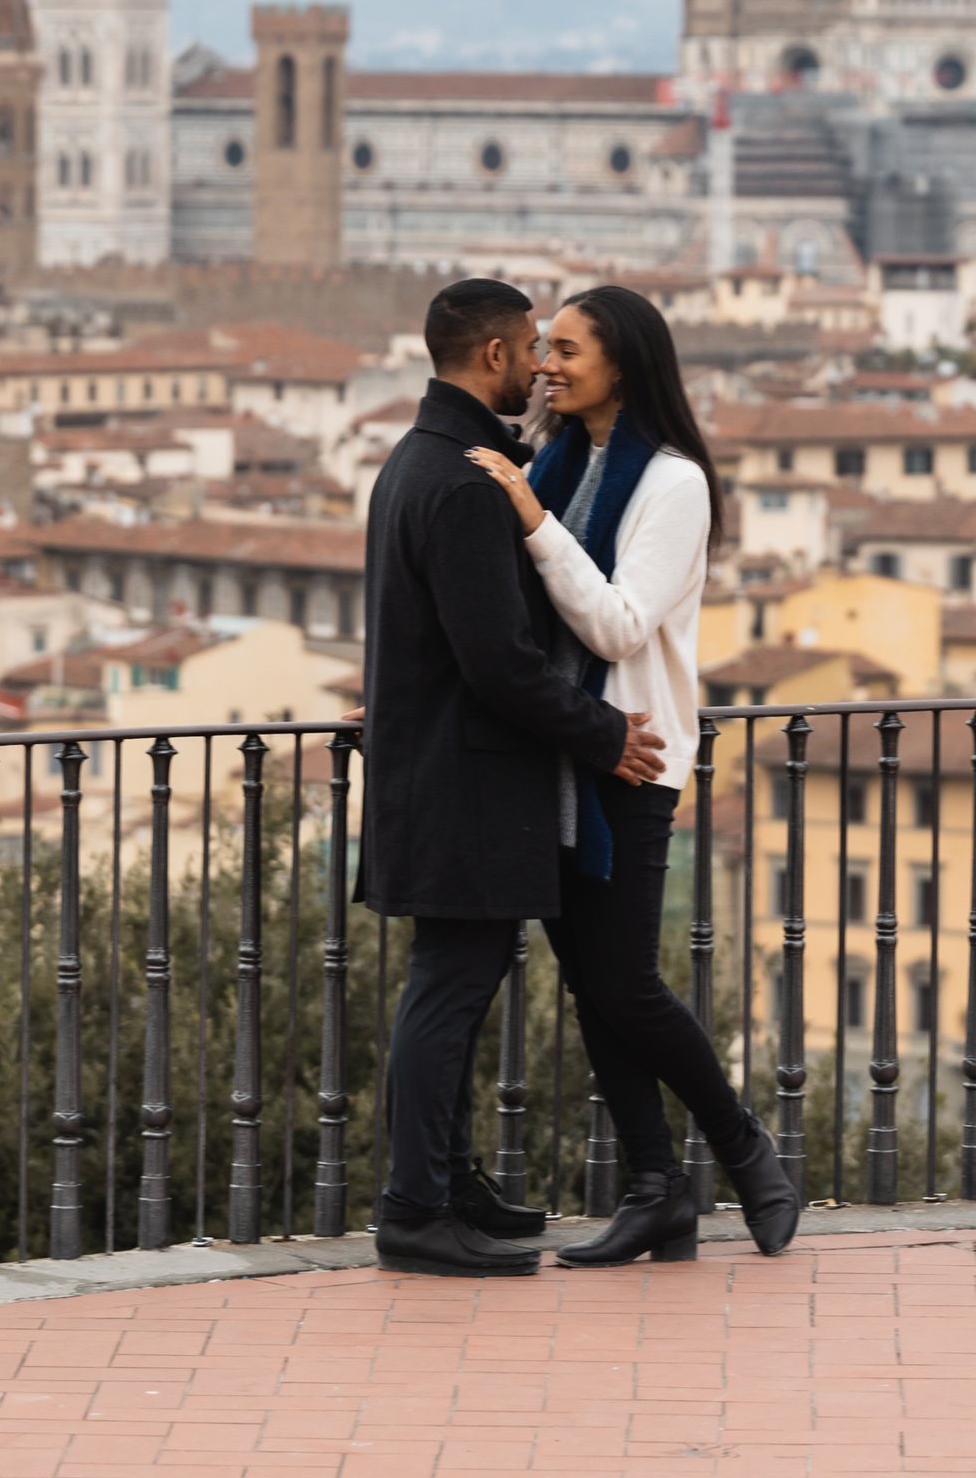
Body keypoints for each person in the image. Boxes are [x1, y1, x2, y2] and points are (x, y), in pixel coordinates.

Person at [467, 283, 800, 1266]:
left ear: (624, 363)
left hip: (633, 757)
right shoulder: (566, 459)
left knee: (623, 980)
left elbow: (615, 622)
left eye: (566, 349)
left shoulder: (672, 484)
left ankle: (744, 1149)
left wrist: (530, 516)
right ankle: (658, 1190)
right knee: (590, 983)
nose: (545, 365)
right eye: (544, 350)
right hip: (565, 746)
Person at [359, 275, 667, 1278]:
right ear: (493, 355)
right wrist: (602, 734)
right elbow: (498, 660)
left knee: (453, 985)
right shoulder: (463, 481)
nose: (540, 363)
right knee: (447, 993)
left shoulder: (423, 461)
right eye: (532, 345)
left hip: (441, 776)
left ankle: (447, 1185)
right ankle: (416, 1207)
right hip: (468, 782)